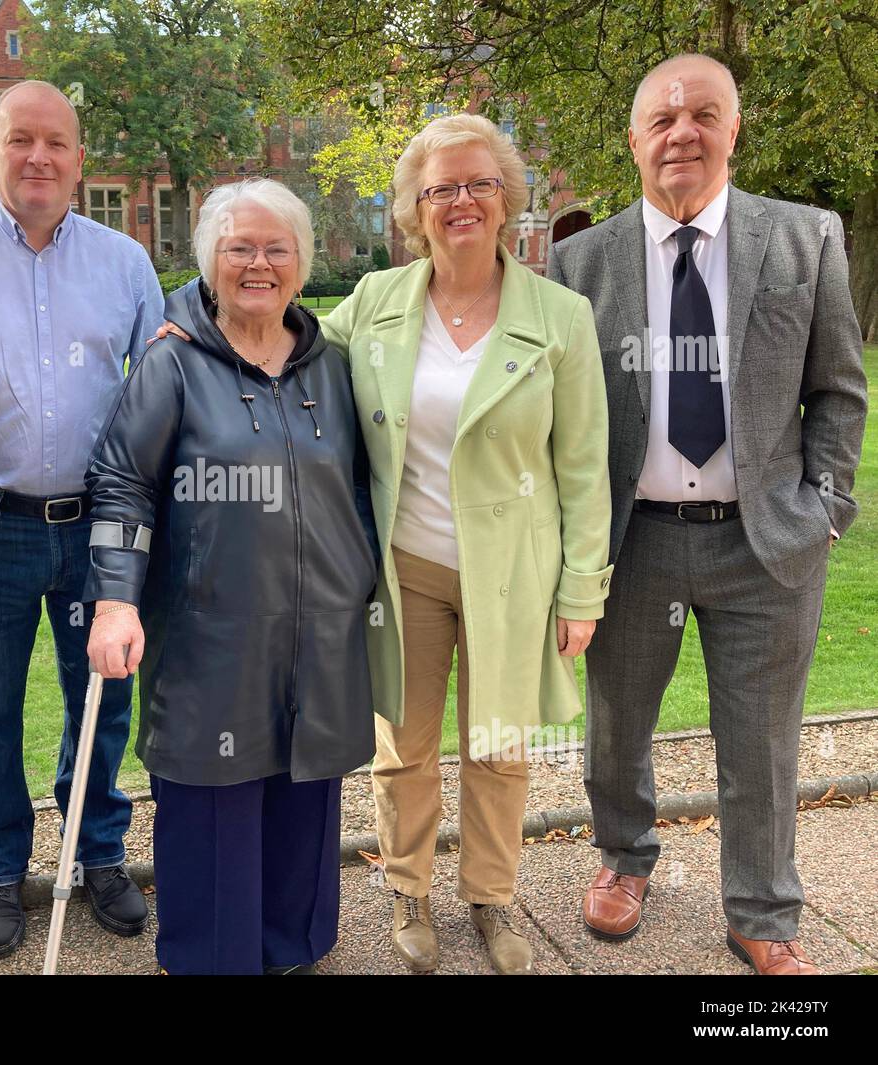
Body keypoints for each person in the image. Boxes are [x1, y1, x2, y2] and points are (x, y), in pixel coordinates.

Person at [547, 53, 868, 975]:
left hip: (766, 543)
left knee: (762, 737)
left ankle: (763, 910)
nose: (682, 131)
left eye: (703, 114)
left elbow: (839, 390)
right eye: (663, 118)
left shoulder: (805, 238)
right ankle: (623, 859)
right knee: (617, 726)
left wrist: (828, 510)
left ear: (734, 129)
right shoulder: (579, 260)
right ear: (636, 140)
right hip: (634, 539)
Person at [323, 113, 613, 973]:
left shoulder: (560, 316)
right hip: (403, 566)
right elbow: (287, 351)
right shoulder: (375, 303)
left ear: (506, 199)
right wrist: (195, 318)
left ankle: (490, 896)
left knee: (498, 745)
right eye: (440, 186)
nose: (460, 200)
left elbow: (587, 463)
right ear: (415, 205)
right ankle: (408, 886)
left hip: (512, 575)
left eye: (478, 183)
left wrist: (583, 590)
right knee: (401, 746)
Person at [85, 178, 379, 975]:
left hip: (318, 626)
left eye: (276, 247)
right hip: (208, 627)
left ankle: (292, 945)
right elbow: (121, 483)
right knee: (213, 787)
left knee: (304, 784)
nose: (259, 263)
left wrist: (366, 579)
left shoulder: (332, 368)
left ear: (301, 261)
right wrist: (115, 598)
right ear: (209, 260)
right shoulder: (172, 363)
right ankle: (216, 955)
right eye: (239, 247)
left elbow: (360, 482)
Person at [0, 81, 164, 957]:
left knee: (101, 702)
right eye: (19, 140)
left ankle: (95, 851)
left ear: (78, 159)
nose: (39, 157)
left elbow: (155, 404)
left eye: (56, 143)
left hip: (101, 524)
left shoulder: (125, 264)